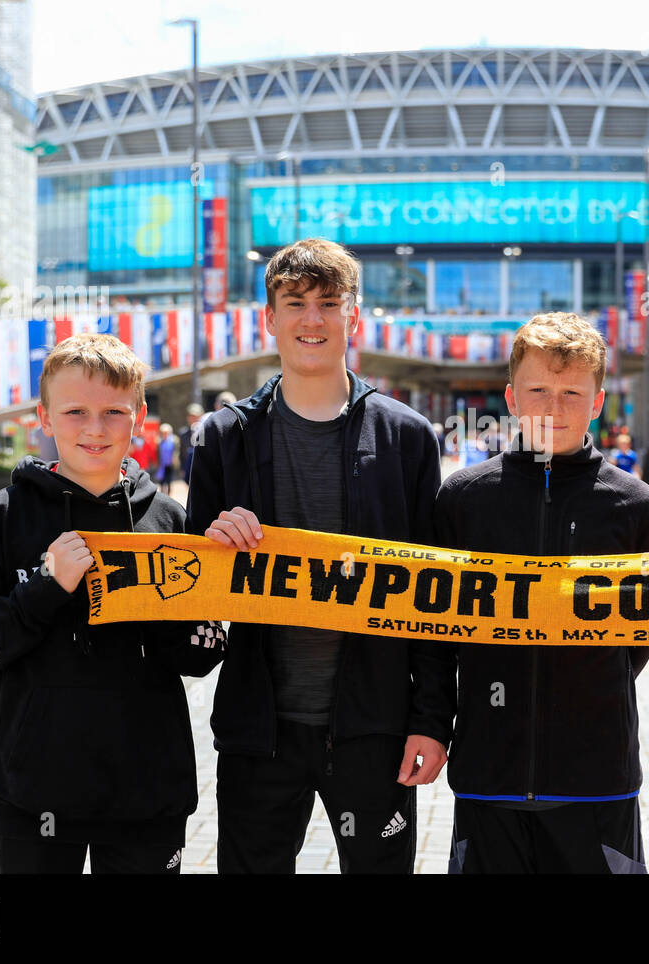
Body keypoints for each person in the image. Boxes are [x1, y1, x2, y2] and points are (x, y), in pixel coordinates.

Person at [186, 237, 453, 874]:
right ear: (268, 318)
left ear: (353, 316)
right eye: (296, 302)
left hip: (375, 727)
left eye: (329, 303)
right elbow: (192, 590)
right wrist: (214, 545)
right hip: (261, 728)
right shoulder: (225, 438)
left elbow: (435, 592)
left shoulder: (406, 437)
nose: (313, 319)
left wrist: (432, 718)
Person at [0, 333, 225, 873]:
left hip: (147, 794)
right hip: (30, 797)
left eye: (114, 411)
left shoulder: (169, 521)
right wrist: (43, 589)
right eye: (75, 411)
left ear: (139, 416)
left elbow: (206, 651)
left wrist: (149, 596)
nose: (95, 428)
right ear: (44, 417)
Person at [434, 311, 649, 874]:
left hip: (597, 772)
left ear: (596, 402)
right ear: (511, 398)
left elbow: (647, 628)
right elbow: (434, 627)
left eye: (570, 393)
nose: (552, 407)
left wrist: (582, 678)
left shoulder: (633, 504)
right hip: (490, 768)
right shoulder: (464, 497)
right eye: (538, 390)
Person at [178, 403, 204, 485]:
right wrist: (182, 468)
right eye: (191, 416)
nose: (193, 419)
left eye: (196, 416)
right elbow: (182, 453)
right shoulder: (183, 434)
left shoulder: (205, 432)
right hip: (188, 469)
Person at [154, 422, 176, 495]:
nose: (165, 434)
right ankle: (163, 495)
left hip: (170, 464)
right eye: (163, 432)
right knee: (162, 482)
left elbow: (176, 451)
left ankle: (169, 495)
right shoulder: (158, 442)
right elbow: (156, 453)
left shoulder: (174, 441)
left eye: (166, 432)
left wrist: (175, 459)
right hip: (161, 465)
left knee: (169, 481)